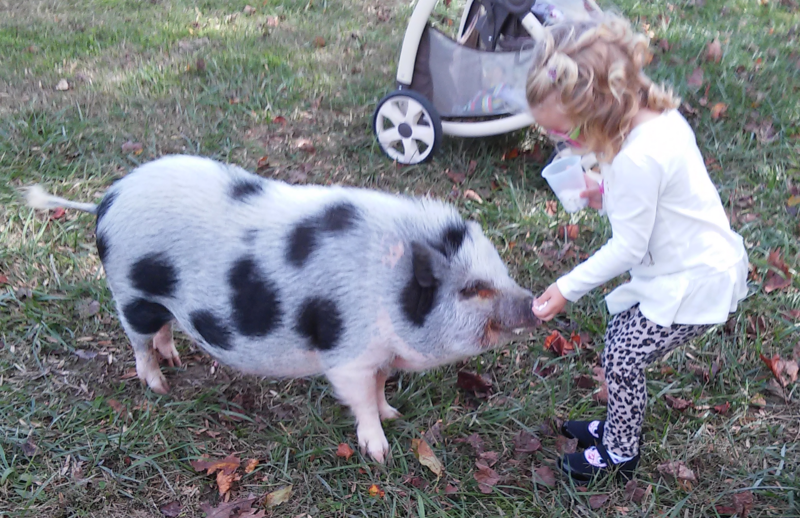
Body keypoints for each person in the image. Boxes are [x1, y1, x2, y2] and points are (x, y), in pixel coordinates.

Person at [526, 14, 749, 480]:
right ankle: (615, 429)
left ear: (598, 110)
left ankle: (620, 452)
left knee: (624, 354)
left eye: (565, 135)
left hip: (694, 281)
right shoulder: (658, 120)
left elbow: (628, 247)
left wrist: (567, 287)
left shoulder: (635, 158)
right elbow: (657, 195)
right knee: (620, 344)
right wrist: (604, 190)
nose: (562, 145)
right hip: (692, 262)